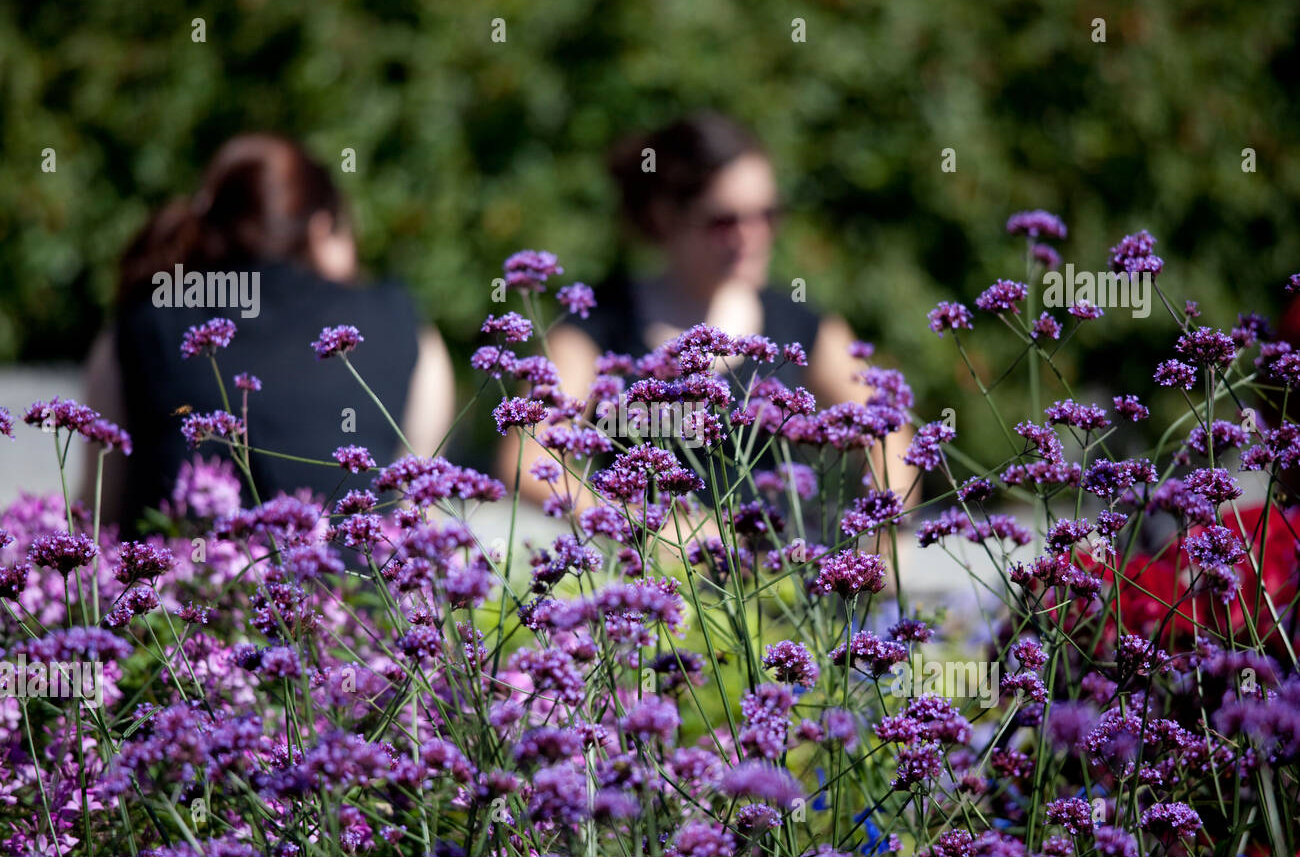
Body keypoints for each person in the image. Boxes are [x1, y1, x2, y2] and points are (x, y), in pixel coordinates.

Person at [502, 111, 913, 505]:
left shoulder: (801, 323)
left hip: (775, 569)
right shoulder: (599, 323)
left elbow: (887, 430)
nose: (752, 237)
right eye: (724, 221)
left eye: (767, 215)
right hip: (649, 570)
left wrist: (881, 531)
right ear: (665, 217)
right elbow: (528, 460)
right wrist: (640, 528)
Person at [83, 134, 454, 530]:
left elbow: (98, 509)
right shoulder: (404, 322)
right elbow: (421, 515)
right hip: (349, 588)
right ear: (321, 228)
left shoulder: (142, 321)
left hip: (173, 583)